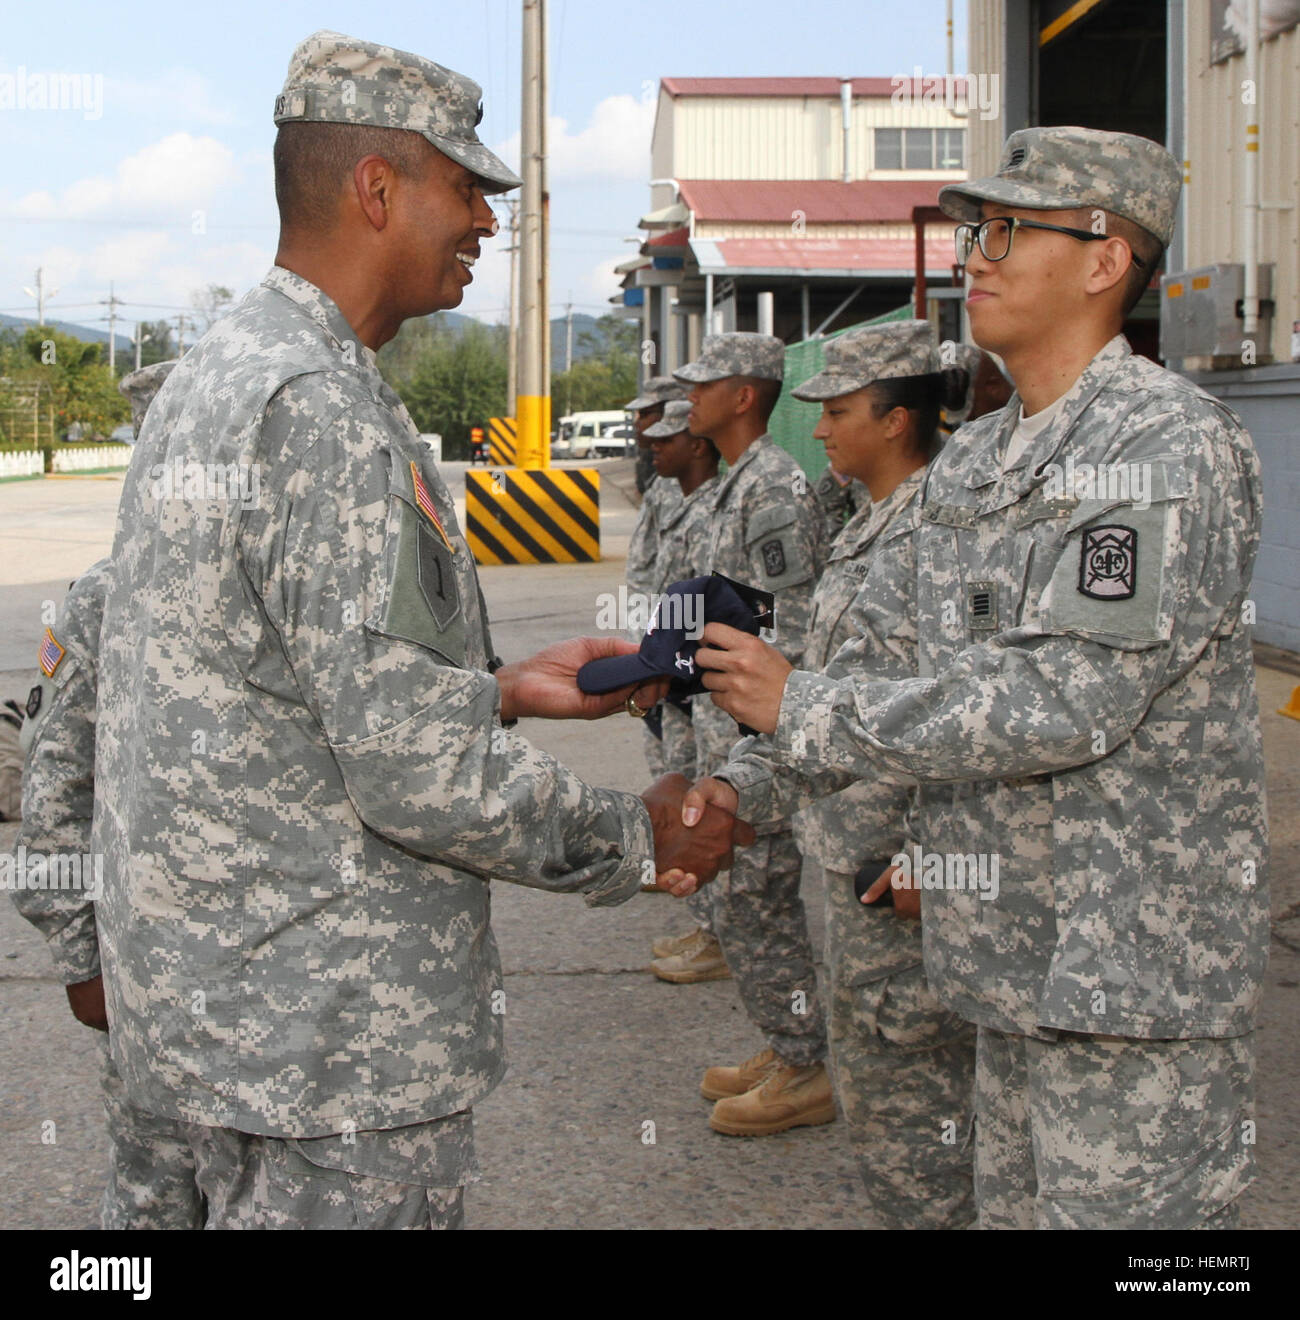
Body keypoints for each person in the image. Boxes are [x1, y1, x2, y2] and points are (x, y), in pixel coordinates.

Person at [89, 29, 748, 1231]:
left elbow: (258, 683)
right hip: (324, 1056)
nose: (487, 224)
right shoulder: (322, 409)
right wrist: (638, 839)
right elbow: (417, 774)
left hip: (195, 1023)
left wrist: (492, 686)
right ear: (377, 189)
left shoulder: (216, 374)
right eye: (466, 187)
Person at [678, 126, 1268, 1228]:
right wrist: (742, 791)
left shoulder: (1160, 446)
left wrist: (799, 705)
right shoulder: (983, 463)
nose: (974, 255)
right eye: (970, 231)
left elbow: (1068, 696)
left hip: (1128, 982)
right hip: (1003, 973)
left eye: (1004, 229)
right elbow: (889, 668)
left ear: (1103, 259)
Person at [696, 321, 977, 1224]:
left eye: (840, 412)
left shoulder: (946, 538)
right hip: (856, 858)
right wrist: (736, 788)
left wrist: (939, 862)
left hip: (901, 874)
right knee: (879, 1103)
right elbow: (815, 699)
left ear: (898, 421)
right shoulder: (868, 526)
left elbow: (974, 718)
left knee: (926, 1115)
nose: (818, 431)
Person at [11, 361, 206, 1228]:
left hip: (288, 978)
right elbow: (56, 795)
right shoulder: (103, 596)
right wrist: (80, 956)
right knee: (156, 1201)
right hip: (151, 975)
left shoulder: (290, 582)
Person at [671, 333, 832, 1135]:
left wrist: (756, 741)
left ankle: (807, 1062)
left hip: (753, 736)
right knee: (739, 896)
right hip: (720, 720)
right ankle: (789, 1040)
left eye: (705, 384)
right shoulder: (737, 482)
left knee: (756, 893)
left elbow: (787, 625)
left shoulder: (770, 487)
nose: (688, 398)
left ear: (744, 396)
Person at [637, 400, 729, 981]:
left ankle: (721, 935)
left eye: (669, 437)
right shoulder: (672, 497)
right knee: (682, 782)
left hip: (706, 682)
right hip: (677, 675)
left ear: (698, 444)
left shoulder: (723, 502)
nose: (655, 445)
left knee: (709, 798)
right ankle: (708, 923)